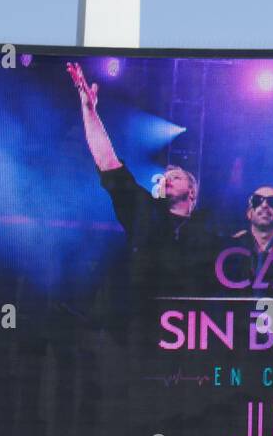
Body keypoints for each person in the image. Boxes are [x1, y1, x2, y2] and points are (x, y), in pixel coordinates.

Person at [67, 61, 214, 298]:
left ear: (192, 192)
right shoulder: (144, 209)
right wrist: (89, 111)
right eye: (164, 178)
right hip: (141, 319)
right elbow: (107, 162)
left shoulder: (207, 227)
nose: (166, 181)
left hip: (192, 325)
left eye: (175, 177)